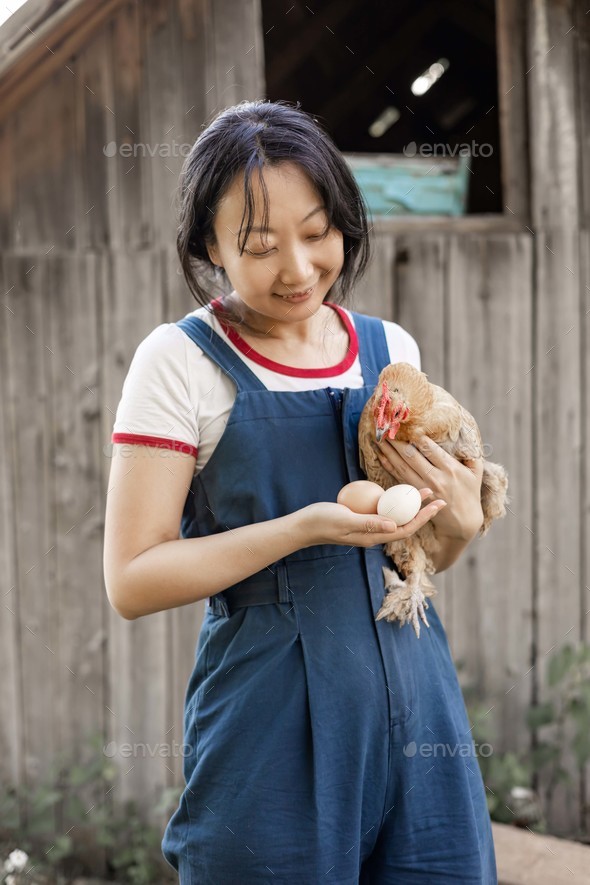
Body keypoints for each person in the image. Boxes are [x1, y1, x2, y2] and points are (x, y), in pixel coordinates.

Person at [103, 99, 497, 884]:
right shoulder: (180, 362)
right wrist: (303, 529)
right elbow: (132, 579)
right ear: (207, 246)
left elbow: (414, 561)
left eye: (318, 233)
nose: (298, 267)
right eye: (259, 244)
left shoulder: (390, 352)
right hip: (269, 740)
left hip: (420, 720)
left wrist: (458, 525)